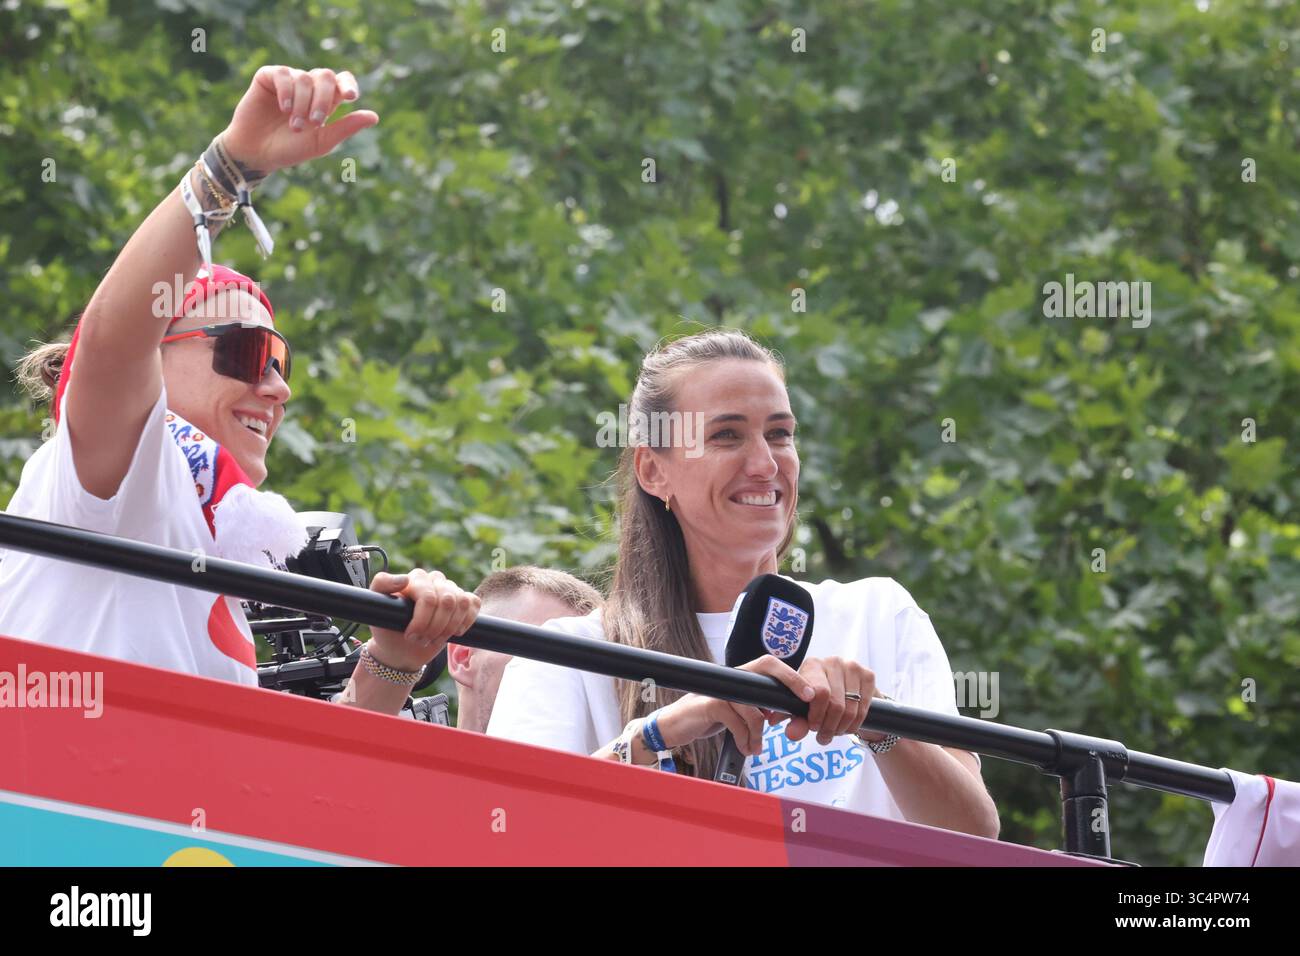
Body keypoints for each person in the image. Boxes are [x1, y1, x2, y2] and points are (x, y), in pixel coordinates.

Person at [1, 65, 477, 715]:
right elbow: (111, 339)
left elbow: (284, 791)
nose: (277, 388)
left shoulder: (199, 550)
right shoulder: (111, 479)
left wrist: (394, 659)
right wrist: (231, 166)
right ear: (154, 361)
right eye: (247, 351)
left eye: (279, 360)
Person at [488, 329, 1000, 838]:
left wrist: (881, 726)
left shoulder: (877, 613)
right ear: (652, 470)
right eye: (726, 436)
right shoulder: (566, 656)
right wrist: (660, 733)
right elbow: (507, 837)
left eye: (779, 434)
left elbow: (975, 833)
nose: (765, 464)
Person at [447, 566, 602, 733]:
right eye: (540, 649)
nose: (564, 675)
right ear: (463, 657)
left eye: (581, 664)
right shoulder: (417, 748)